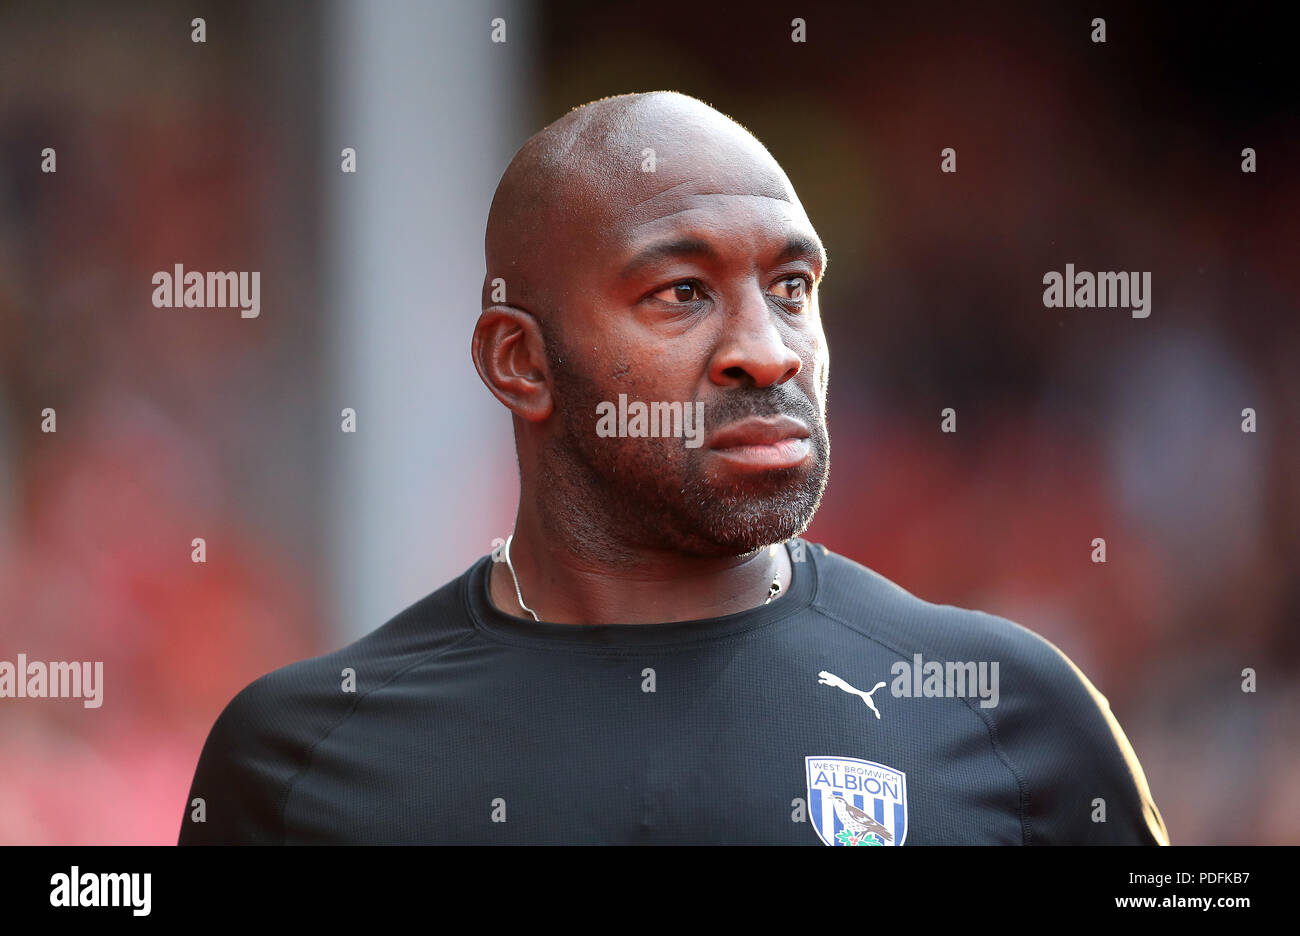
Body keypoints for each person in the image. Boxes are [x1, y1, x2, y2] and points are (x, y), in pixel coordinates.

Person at [178, 91, 1168, 845]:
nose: (769, 351)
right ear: (520, 361)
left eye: (790, 286)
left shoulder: (1005, 710)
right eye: (681, 291)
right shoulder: (302, 760)